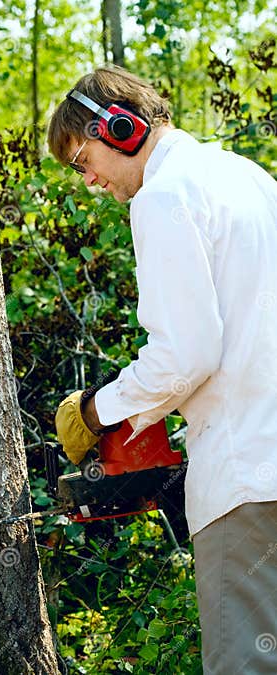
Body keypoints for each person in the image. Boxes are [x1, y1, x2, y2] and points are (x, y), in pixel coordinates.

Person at [49, 65, 277, 674]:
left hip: (246, 480)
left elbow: (186, 355)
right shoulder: (249, 178)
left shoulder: (164, 195)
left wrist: (96, 411)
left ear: (119, 127)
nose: (90, 180)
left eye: (83, 160)